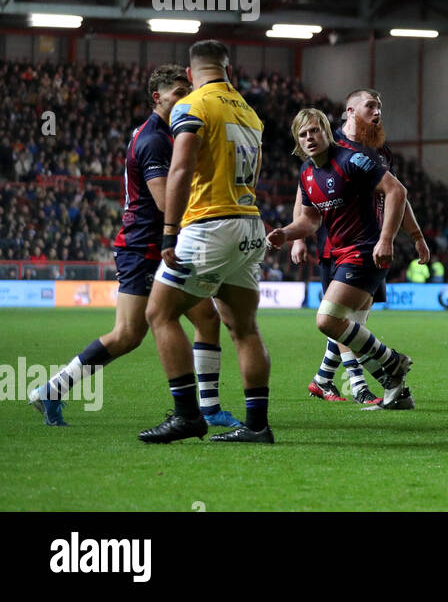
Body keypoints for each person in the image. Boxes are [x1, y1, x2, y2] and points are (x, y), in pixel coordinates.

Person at [28, 65, 240, 430]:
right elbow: (163, 201)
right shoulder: (155, 139)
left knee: (206, 317)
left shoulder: (170, 133)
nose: (185, 98)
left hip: (166, 245)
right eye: (177, 92)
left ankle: (208, 408)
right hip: (146, 248)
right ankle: (53, 389)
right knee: (128, 335)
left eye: (187, 91)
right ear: (157, 97)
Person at [138, 40, 274, 444]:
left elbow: (179, 169)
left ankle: (186, 416)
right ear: (228, 70)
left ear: (192, 74)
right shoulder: (250, 112)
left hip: (209, 224)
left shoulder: (192, 105)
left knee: (159, 313)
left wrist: (169, 231)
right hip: (250, 225)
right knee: (244, 328)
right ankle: (256, 426)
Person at [268, 108, 415, 412]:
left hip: (366, 250)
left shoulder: (351, 160)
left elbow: (396, 190)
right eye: (303, 134)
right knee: (351, 327)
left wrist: (387, 239)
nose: (310, 138)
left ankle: (391, 362)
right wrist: (286, 233)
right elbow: (309, 220)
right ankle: (395, 389)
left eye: (315, 131)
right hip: (339, 254)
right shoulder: (307, 173)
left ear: (326, 131)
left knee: (328, 320)